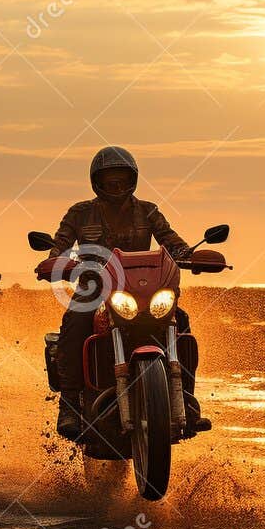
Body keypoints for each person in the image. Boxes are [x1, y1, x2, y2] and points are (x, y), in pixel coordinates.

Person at [50, 146, 199, 440]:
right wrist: (54, 260)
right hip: (94, 289)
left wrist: (189, 254)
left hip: (144, 291)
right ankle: (68, 404)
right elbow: (61, 244)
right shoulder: (80, 213)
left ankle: (185, 400)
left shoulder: (148, 210)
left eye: (121, 180)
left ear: (133, 180)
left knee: (180, 322)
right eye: (110, 182)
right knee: (75, 324)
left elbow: (170, 239)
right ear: (98, 183)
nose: (116, 187)